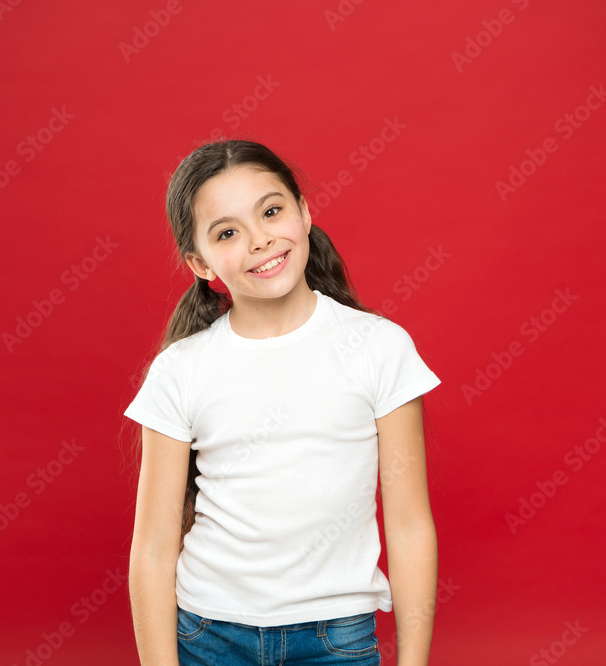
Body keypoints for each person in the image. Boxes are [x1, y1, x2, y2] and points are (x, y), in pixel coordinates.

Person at [125, 139, 441, 666]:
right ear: (200, 263)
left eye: (271, 211)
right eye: (228, 232)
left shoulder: (379, 348)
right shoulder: (181, 370)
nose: (260, 240)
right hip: (209, 636)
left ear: (305, 213)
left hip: (335, 637)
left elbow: (409, 525)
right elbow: (155, 545)